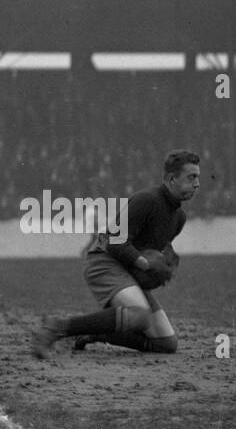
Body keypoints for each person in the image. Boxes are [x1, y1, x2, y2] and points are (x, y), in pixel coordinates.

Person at [32, 149, 200, 357]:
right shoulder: (147, 200)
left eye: (198, 177)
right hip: (104, 260)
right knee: (140, 315)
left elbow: (152, 247)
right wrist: (146, 265)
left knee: (166, 343)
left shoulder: (179, 218)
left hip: (127, 268)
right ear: (172, 179)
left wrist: (168, 258)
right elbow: (114, 240)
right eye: (191, 177)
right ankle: (56, 327)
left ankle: (96, 333)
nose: (197, 183)